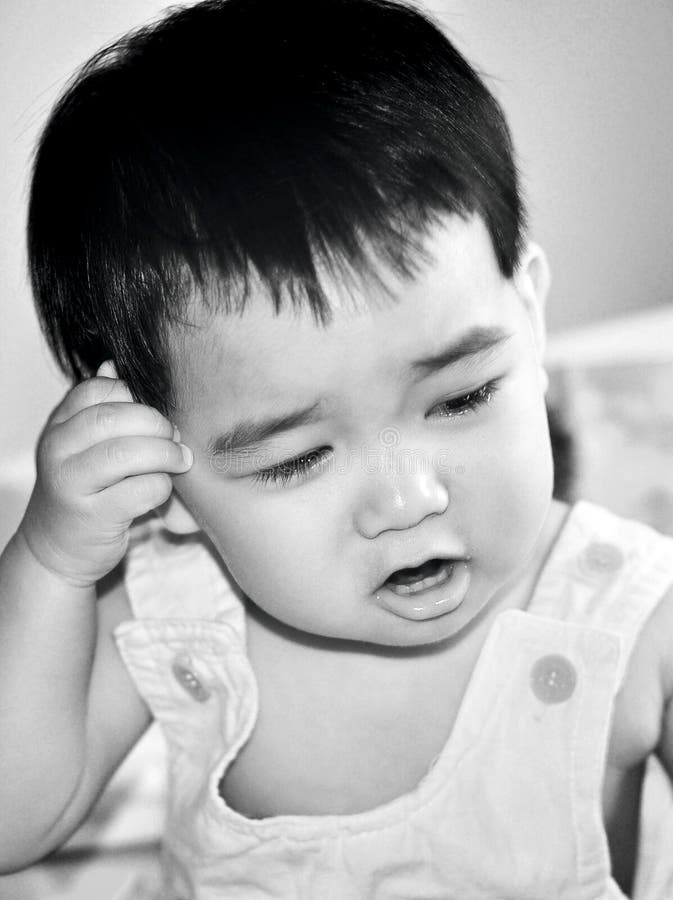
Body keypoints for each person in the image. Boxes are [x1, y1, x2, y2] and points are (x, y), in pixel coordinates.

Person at [1, 0, 672, 896]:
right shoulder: (183, 610)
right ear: (165, 471)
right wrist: (50, 561)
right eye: (294, 458)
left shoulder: (628, 620)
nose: (408, 500)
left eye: (462, 395)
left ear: (530, 317)